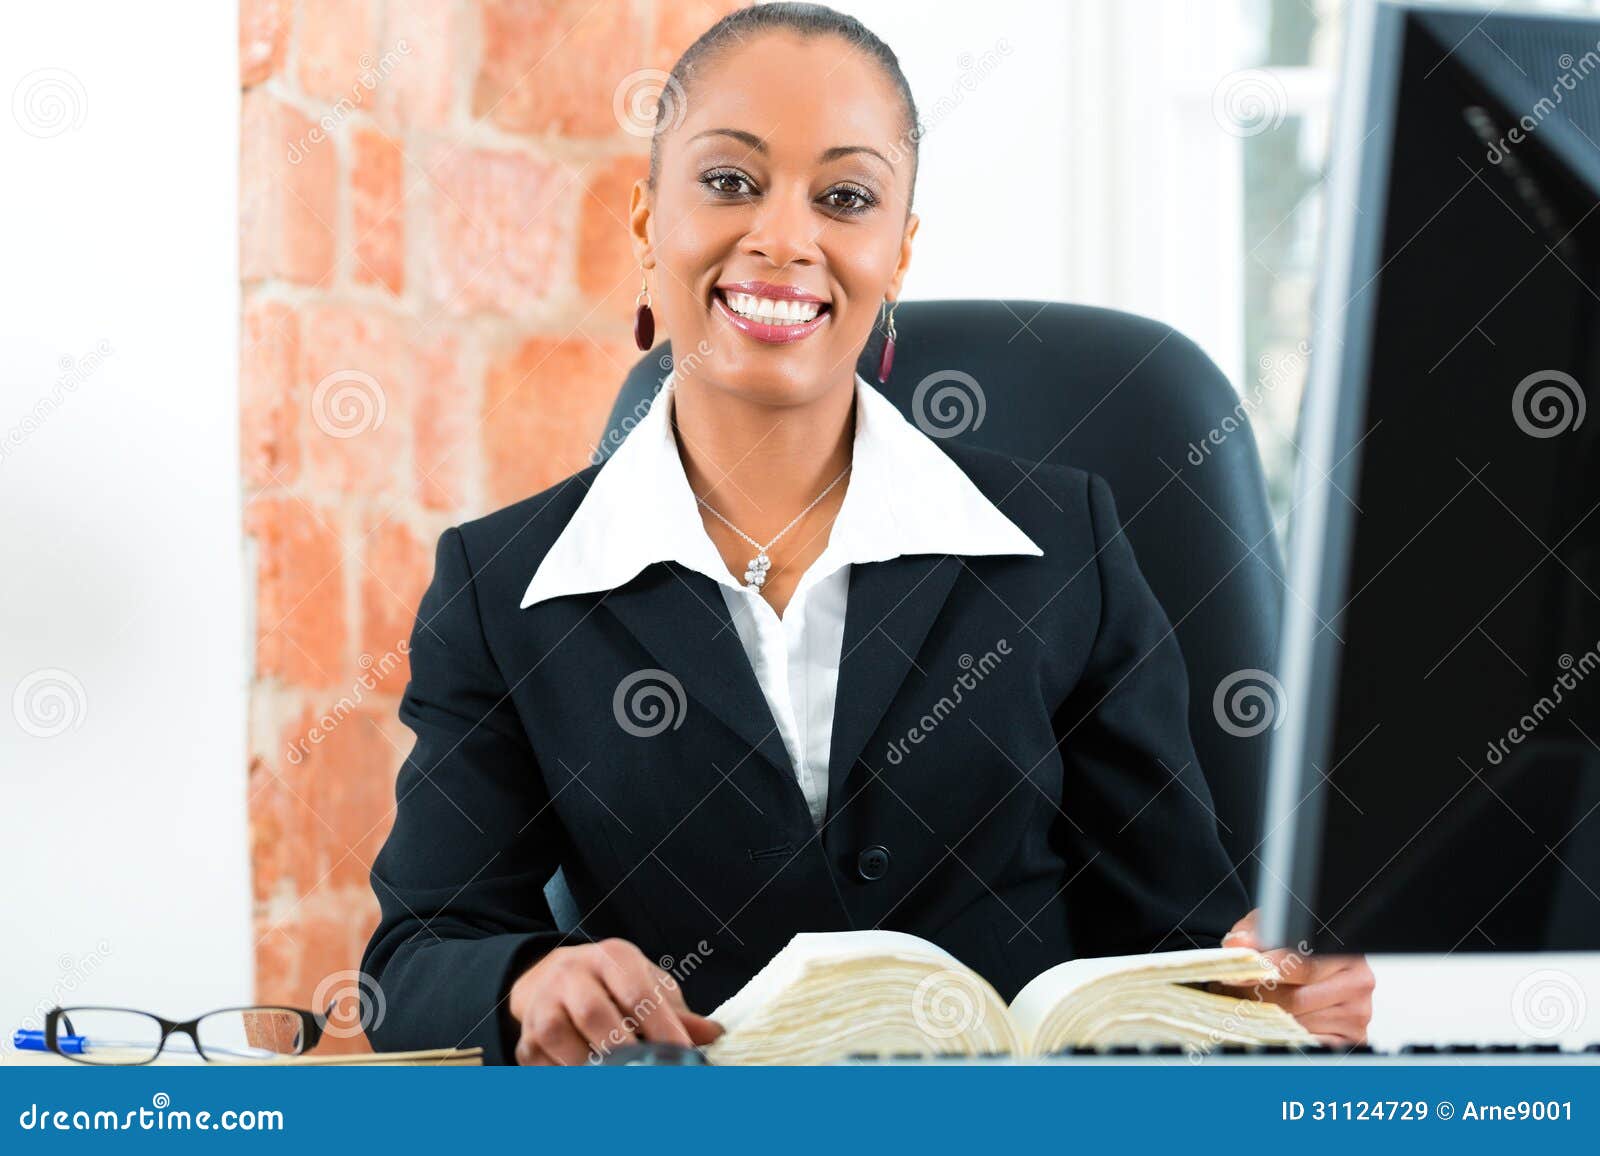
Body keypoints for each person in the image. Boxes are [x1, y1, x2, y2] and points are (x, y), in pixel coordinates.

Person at [361, 2, 1373, 1065]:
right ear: (645, 222)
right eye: (729, 180)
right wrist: (527, 981)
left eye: (845, 198)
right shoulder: (502, 584)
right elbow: (413, 962)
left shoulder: (1063, 543)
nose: (783, 238)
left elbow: (1173, 940)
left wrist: (1270, 992)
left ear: (897, 253)